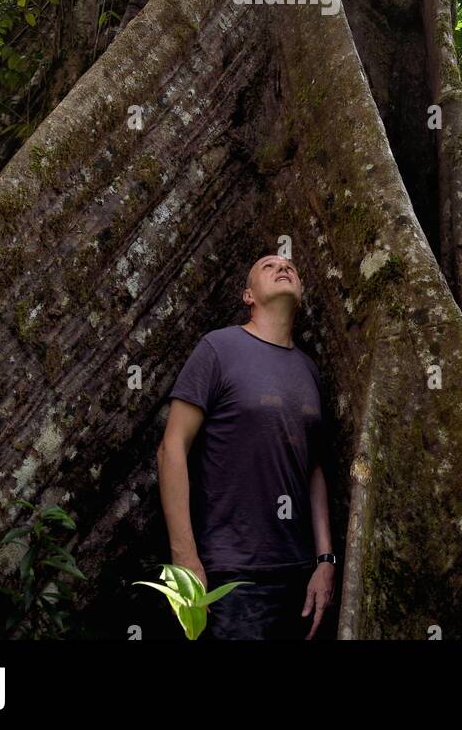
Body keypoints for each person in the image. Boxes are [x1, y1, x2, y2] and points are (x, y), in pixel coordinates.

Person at [157, 254, 337, 639]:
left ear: (302, 293)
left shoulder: (309, 370)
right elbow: (171, 447)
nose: (284, 266)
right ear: (248, 295)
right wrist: (184, 557)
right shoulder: (218, 349)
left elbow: (315, 470)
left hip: (299, 575)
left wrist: (325, 560)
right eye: (268, 266)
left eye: (291, 265)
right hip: (230, 574)